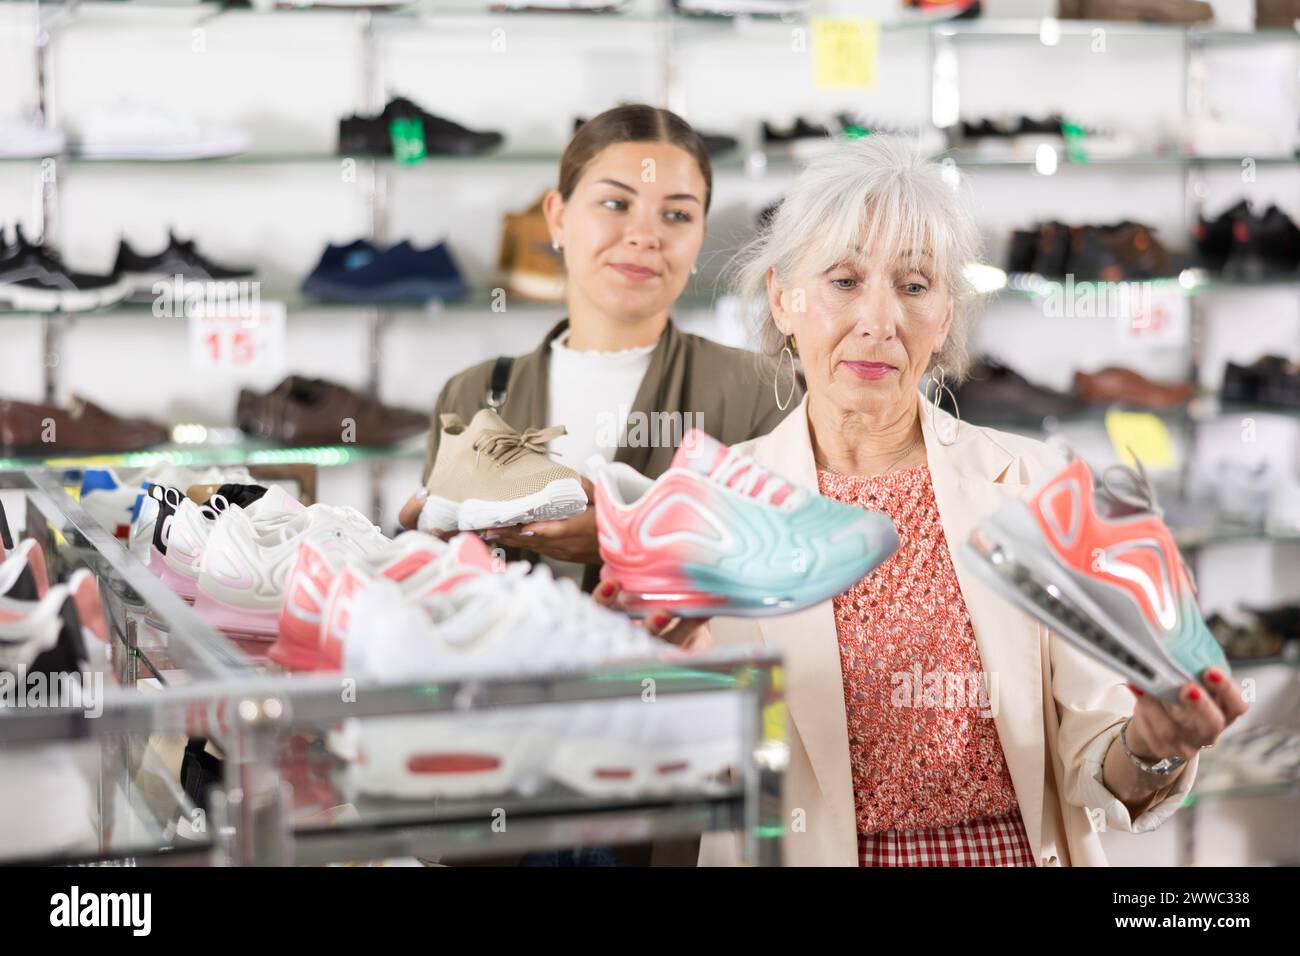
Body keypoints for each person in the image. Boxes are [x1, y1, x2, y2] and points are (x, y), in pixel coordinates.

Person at [597, 136, 1249, 866]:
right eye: (844, 281)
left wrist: (1153, 748)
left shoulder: (1038, 484)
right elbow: (673, 771)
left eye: (913, 286)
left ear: (945, 316)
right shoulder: (708, 507)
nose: (880, 321)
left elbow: (1101, 760)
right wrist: (656, 684)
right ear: (783, 299)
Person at [399, 103, 797, 602]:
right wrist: (429, 554)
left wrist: (628, 541)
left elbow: (792, 572)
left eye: (677, 214)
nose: (645, 236)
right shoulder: (473, 394)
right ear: (558, 218)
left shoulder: (761, 392)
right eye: (615, 203)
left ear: (699, 236)